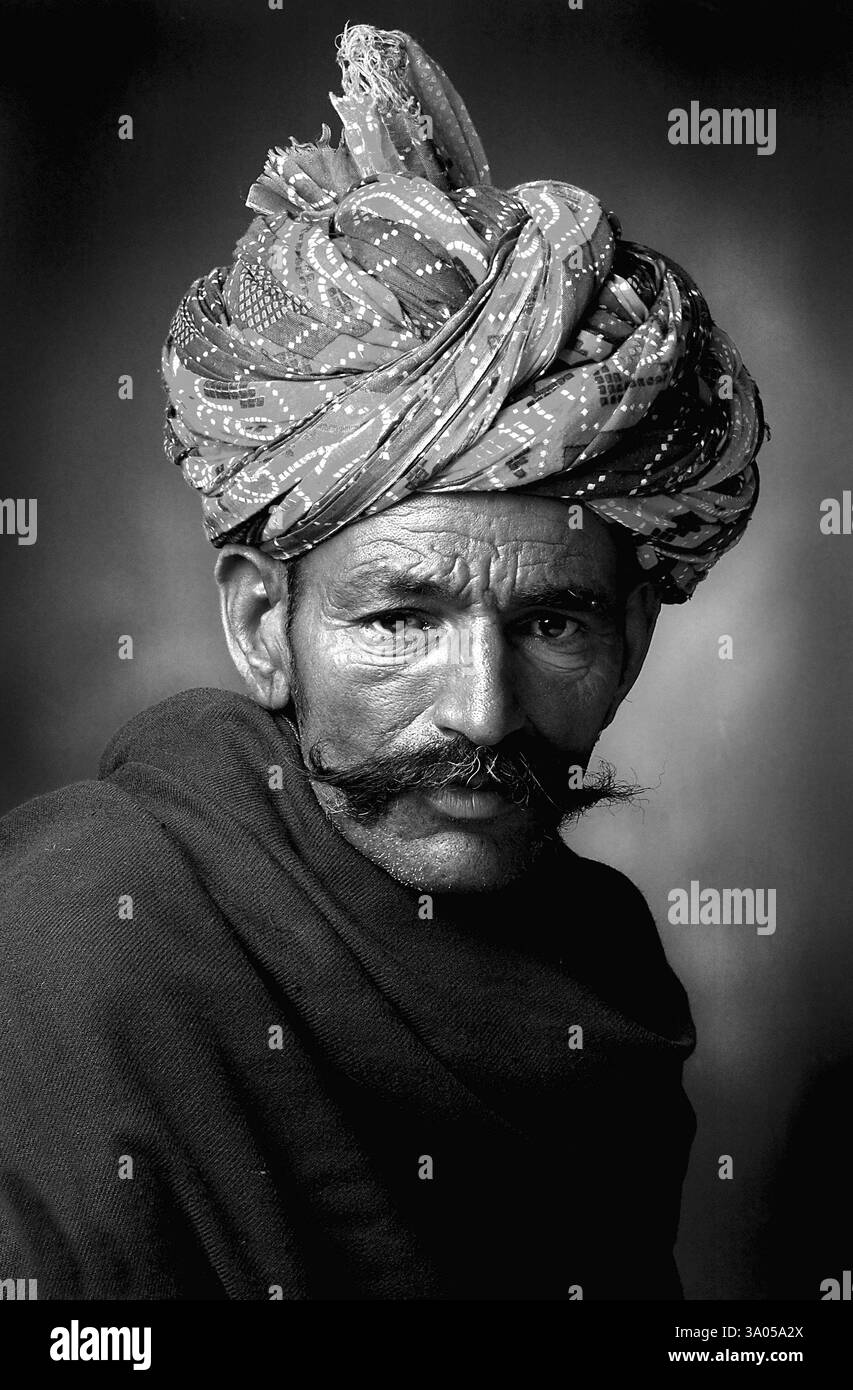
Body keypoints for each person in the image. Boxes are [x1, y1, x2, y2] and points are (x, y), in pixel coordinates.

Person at [0, 22, 765, 1300]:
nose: (481, 711)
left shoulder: (605, 969)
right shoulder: (69, 942)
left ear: (632, 637)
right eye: (399, 619)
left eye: (553, 623)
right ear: (262, 628)